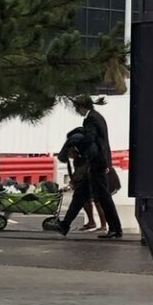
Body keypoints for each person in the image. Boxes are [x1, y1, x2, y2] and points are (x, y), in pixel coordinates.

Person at [57, 96, 123, 239]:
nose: (76, 111)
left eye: (77, 108)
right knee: (81, 194)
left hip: (96, 163)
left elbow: (90, 138)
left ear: (81, 106)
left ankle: (115, 229)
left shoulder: (91, 119)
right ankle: (65, 225)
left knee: (104, 198)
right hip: (97, 162)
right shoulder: (97, 117)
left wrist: (79, 149)